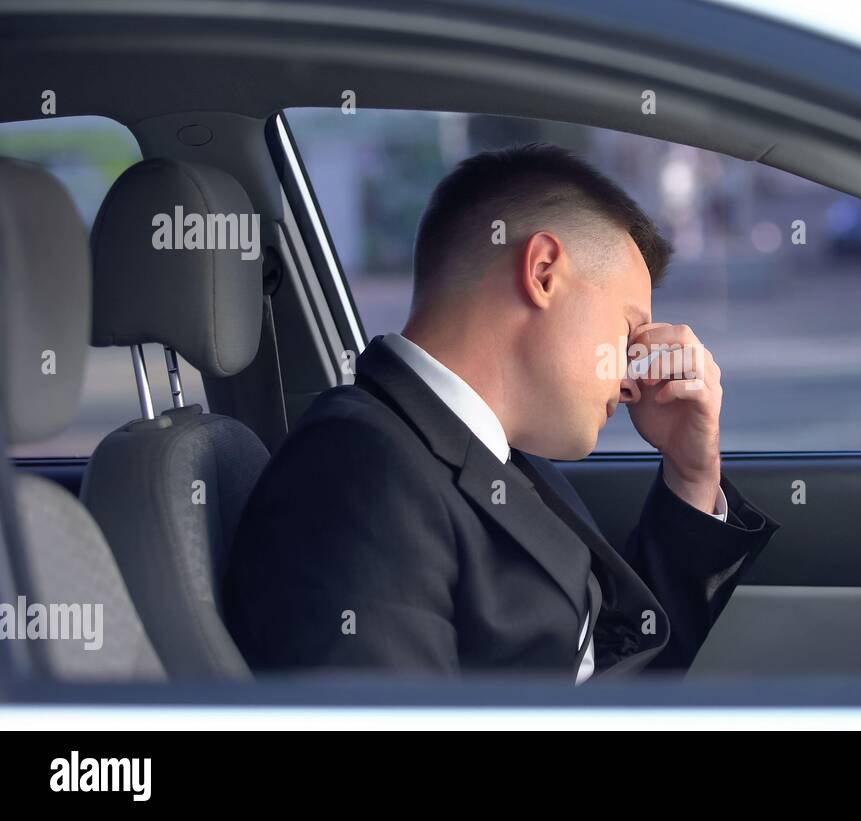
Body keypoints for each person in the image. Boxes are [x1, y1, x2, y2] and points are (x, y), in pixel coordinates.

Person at [223, 143, 779, 681]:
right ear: (542, 273)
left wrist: (691, 471)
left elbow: (624, 666)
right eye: (631, 328)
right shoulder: (353, 472)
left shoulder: (492, 455)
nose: (636, 376)